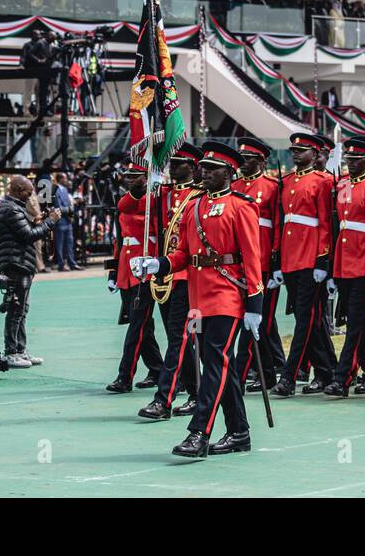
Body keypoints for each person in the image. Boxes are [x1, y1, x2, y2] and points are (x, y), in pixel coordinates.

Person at [133, 141, 264, 457]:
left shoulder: (241, 206)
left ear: (229, 172)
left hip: (228, 295)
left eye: (211, 168)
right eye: (202, 167)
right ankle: (239, 432)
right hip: (198, 295)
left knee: (214, 363)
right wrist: (159, 264)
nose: (203, 172)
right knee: (221, 365)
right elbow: (183, 253)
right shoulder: (193, 207)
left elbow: (252, 257)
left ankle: (199, 433)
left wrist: (254, 306)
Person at [137, 143, 204, 421]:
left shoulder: (198, 196)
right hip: (163, 273)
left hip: (188, 277)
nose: (173, 168)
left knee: (180, 337)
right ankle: (196, 392)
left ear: (193, 167)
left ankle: (164, 399)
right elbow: (133, 208)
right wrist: (148, 184)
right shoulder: (162, 194)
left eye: (179, 164)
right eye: (171, 163)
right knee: (181, 339)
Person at [273, 133, 336, 397]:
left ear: (314, 153)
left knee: (306, 320)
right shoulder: (286, 181)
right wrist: (277, 258)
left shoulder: (323, 182)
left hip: (311, 258)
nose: (296, 154)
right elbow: (281, 222)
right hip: (290, 257)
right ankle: (327, 371)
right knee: (308, 319)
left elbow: (325, 223)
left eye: (302, 150)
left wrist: (322, 258)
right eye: (294, 150)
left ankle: (289, 377)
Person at [326, 137, 365, 397]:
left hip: (364, 263)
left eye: (356, 159)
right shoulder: (343, 183)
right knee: (361, 321)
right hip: (344, 260)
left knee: (355, 322)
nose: (350, 164)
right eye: (348, 159)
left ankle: (343, 378)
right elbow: (340, 225)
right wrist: (333, 267)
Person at [231, 137, 284, 393]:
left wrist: (275, 261)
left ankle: (239, 374)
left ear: (261, 161)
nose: (244, 163)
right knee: (258, 320)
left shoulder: (272, 187)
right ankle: (273, 369)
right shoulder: (235, 186)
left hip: (263, 261)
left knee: (259, 318)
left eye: (249, 158)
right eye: (242, 158)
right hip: (240, 262)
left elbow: (278, 226)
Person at [0, 174, 60, 369]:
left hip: (20, 263)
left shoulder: (14, 208)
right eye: (29, 192)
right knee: (15, 309)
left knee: (21, 309)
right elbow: (28, 235)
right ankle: (11, 352)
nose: (31, 196)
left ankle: (20, 349)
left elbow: (24, 231)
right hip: (16, 264)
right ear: (18, 190)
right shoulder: (11, 209)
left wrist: (38, 222)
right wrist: (50, 222)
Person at [105, 163, 162, 392]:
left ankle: (125, 376)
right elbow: (119, 241)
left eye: (135, 175)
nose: (130, 179)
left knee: (137, 326)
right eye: (128, 175)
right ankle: (157, 369)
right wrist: (112, 272)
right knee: (142, 325)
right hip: (126, 270)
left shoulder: (154, 202)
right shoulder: (123, 202)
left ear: (146, 177)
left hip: (145, 268)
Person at [51, 172, 79, 272]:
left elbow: (68, 205)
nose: (66, 180)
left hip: (68, 221)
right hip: (60, 221)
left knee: (70, 244)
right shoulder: (55, 190)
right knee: (60, 245)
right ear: (60, 179)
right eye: (65, 178)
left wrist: (70, 215)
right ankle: (61, 264)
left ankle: (72, 263)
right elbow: (58, 207)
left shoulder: (65, 189)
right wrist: (69, 214)